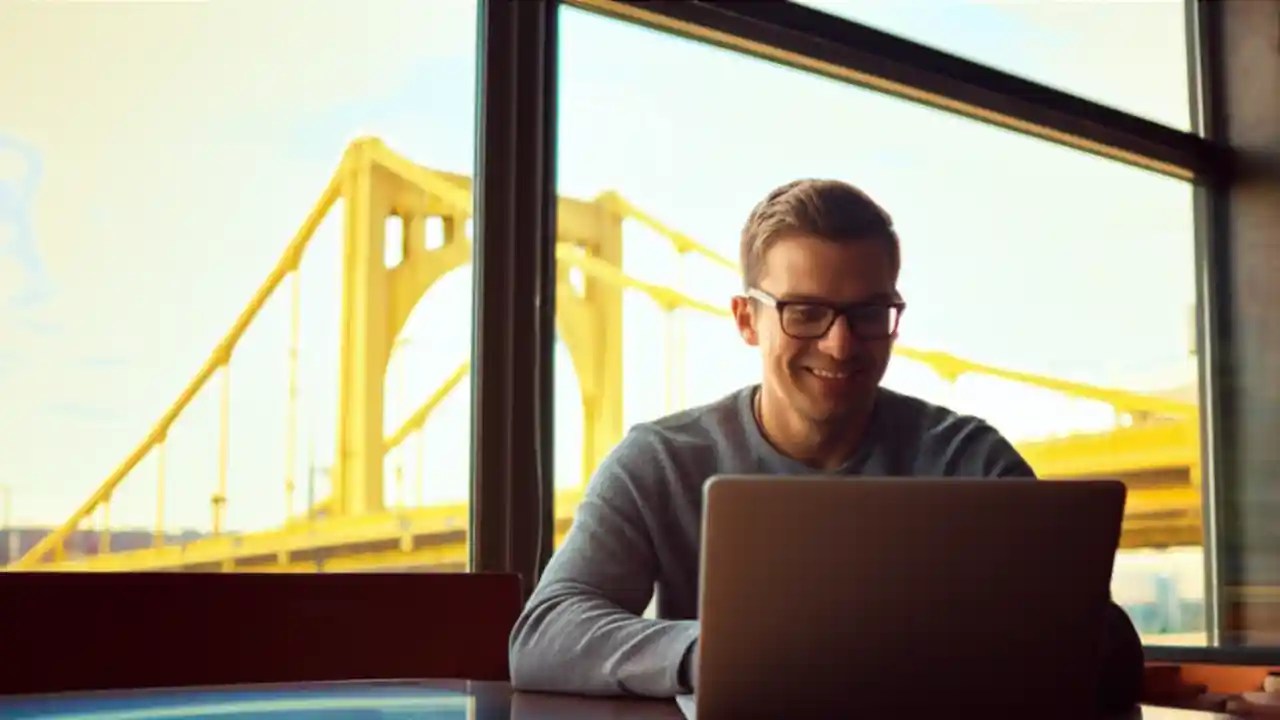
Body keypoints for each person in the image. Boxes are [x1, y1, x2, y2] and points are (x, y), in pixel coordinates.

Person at [508, 179, 1144, 712]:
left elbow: (1097, 643)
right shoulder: (662, 460)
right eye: (805, 312)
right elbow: (543, 634)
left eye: (869, 313)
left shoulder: (969, 458)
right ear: (745, 319)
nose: (841, 345)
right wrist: (719, 652)